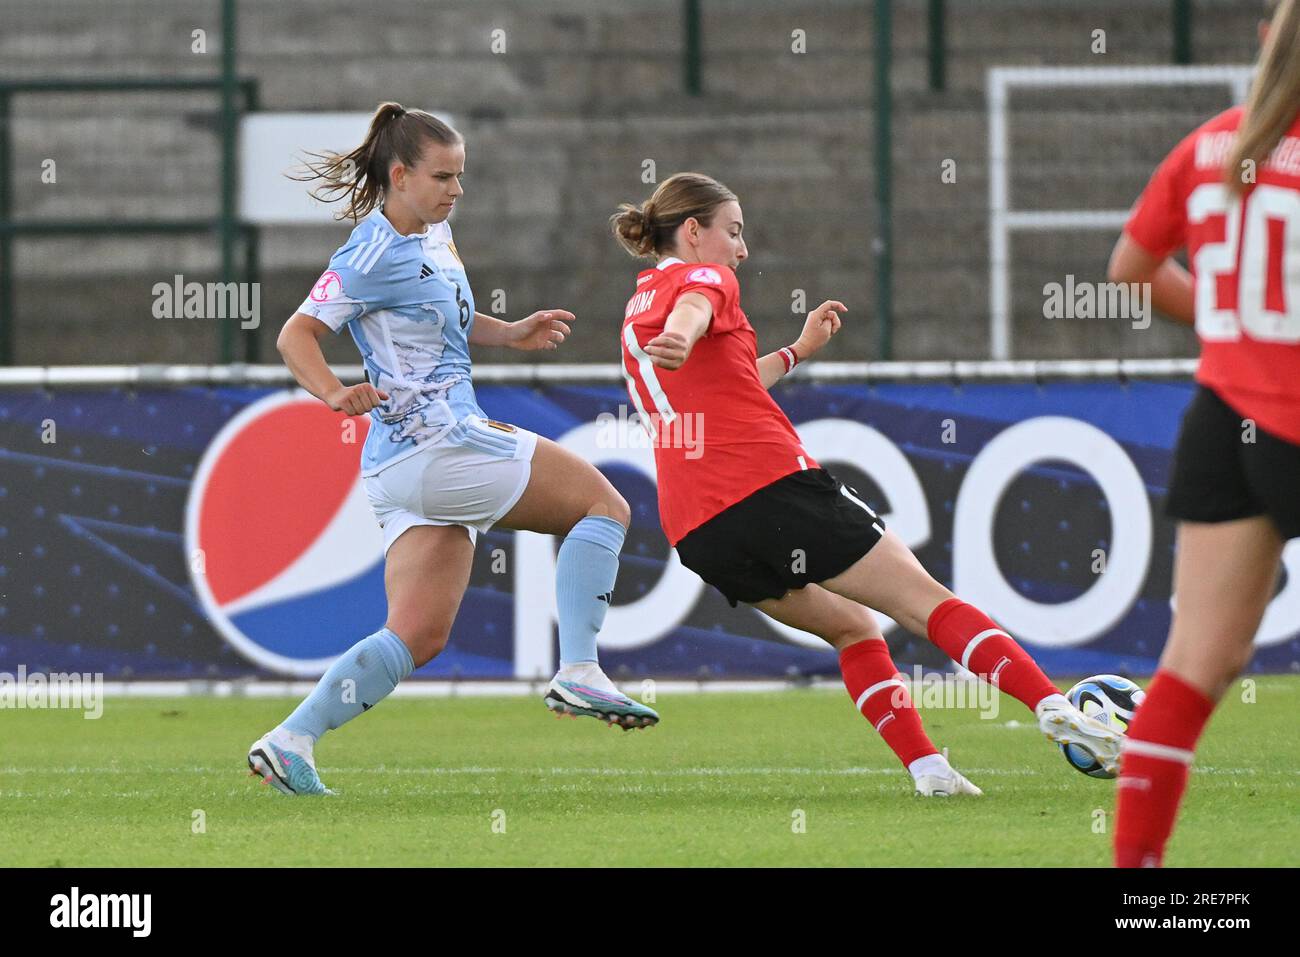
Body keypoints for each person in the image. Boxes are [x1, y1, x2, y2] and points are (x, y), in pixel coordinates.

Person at [610, 172, 1121, 796]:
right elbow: (698, 305)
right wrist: (685, 333)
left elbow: (728, 382)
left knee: (853, 628)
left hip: (698, 529)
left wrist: (797, 350)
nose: (741, 249)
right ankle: (1054, 707)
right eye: (734, 232)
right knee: (926, 602)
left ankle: (930, 772)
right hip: (769, 486)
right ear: (693, 232)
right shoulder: (705, 279)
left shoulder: (637, 305)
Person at [248, 102, 657, 797]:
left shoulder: (436, 234)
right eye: (443, 177)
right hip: (438, 444)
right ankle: (580, 669)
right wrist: (331, 392)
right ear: (400, 175)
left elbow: (438, 323)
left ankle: (291, 740)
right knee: (603, 504)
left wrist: (511, 331)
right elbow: (297, 334)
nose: (455, 190)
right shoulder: (370, 250)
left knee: (418, 633)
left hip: (401, 464)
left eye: (461, 176)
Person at [1106, 0, 1300, 866]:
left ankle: (1141, 889)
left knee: (1194, 667)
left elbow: (1131, 268)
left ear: (1268, 44)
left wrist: (1230, 326)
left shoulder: (1213, 146)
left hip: (1226, 419)